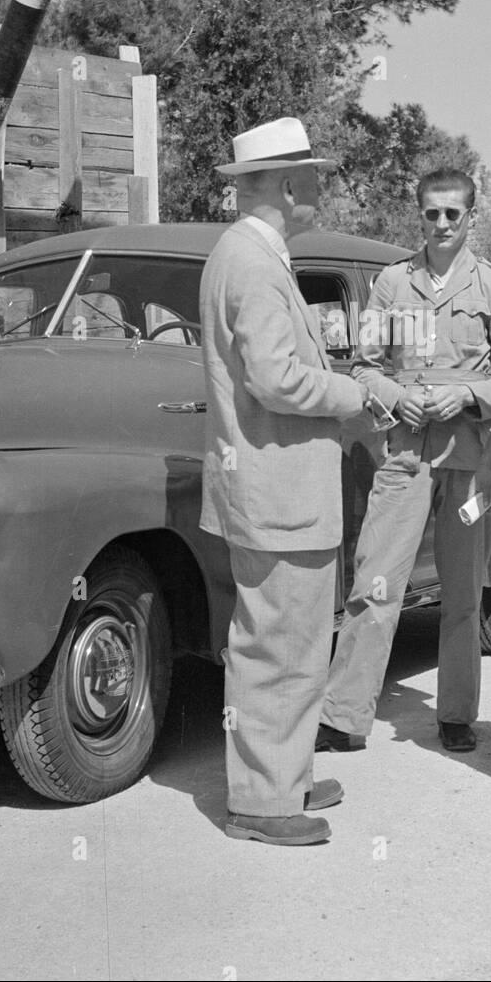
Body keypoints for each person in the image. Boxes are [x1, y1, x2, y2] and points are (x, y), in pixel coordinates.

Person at [200, 117, 365, 846]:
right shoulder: (256, 264)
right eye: (315, 178)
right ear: (291, 185)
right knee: (278, 649)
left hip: (268, 488)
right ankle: (264, 803)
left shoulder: (243, 254)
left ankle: (283, 774)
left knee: (292, 642)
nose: (320, 189)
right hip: (280, 491)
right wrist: (354, 393)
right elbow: (274, 380)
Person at [317, 169, 491, 753]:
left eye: (454, 213)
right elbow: (364, 366)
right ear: (420, 215)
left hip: (467, 454)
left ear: (472, 217)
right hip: (405, 451)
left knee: (461, 590)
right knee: (375, 582)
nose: (443, 224)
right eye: (432, 213)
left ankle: (456, 713)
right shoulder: (390, 285)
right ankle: (344, 715)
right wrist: (397, 396)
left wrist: (470, 395)